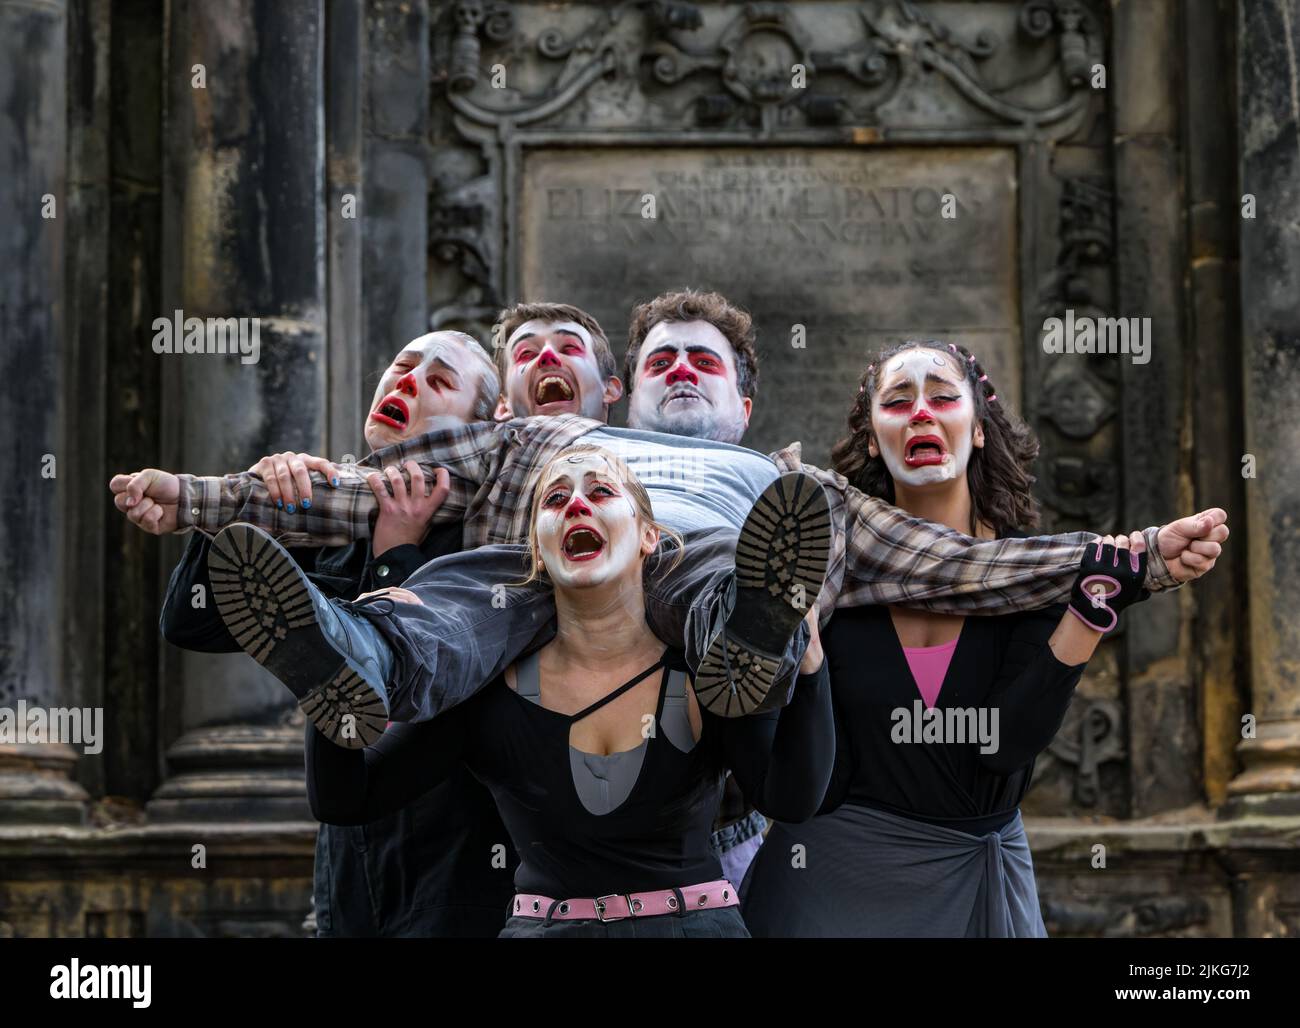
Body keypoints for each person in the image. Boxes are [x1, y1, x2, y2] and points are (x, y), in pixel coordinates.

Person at [108, 292, 1226, 750]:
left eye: (705, 360)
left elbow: (955, 564)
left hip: (702, 572)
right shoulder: (536, 440)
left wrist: (1122, 558)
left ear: (744, 403)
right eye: (661, 358)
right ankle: (351, 662)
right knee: (458, 596)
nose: (681, 369)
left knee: (721, 578)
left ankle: (751, 646)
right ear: (624, 393)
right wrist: (202, 498)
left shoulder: (799, 492)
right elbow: (363, 483)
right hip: (541, 574)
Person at [739, 340, 1218, 937]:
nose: (921, 412)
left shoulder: (1037, 574)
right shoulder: (829, 563)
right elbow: (816, 775)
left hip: (971, 890)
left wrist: (1091, 613)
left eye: (942, 397)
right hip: (828, 890)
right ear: (871, 439)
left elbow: (1003, 748)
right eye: (897, 402)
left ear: (980, 428)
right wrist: (803, 665)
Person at [268, 446, 836, 937]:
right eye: (555, 499)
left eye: (601, 492)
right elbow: (348, 799)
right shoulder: (491, 686)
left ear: (648, 537)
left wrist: (811, 671)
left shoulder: (709, 666)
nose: (577, 506)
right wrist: (325, 682)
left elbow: (789, 798)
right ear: (538, 550)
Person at [159, 330, 520, 938]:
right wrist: (247, 502)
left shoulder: (489, 532)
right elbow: (190, 620)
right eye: (402, 366)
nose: (406, 381)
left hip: (459, 882)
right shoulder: (326, 514)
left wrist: (394, 560)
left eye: (439, 381)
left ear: (491, 420)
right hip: (348, 883)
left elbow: (419, 700)